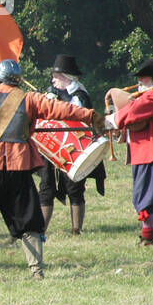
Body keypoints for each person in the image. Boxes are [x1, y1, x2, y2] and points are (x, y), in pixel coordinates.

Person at [0, 59, 99, 279]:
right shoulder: (30, 99)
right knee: (29, 221)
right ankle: (36, 270)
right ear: (18, 80)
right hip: (19, 169)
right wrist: (90, 115)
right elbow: (60, 109)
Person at [37, 54, 104, 235]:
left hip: (75, 148)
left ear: (66, 77)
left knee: (74, 188)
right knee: (46, 187)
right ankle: (41, 229)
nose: (53, 80)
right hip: (53, 147)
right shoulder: (51, 93)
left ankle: (76, 229)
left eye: (56, 77)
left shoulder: (80, 95)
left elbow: (78, 115)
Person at [105, 59, 153, 244]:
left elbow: (132, 111)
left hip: (149, 153)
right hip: (151, 153)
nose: (139, 82)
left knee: (145, 196)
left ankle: (148, 236)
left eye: (143, 79)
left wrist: (110, 120)